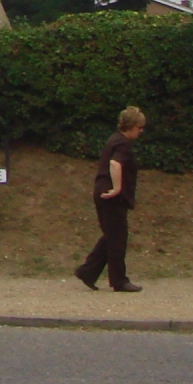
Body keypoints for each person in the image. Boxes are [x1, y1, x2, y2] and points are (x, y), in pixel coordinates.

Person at [75, 106, 146, 292]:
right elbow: (115, 164)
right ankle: (119, 280)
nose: (141, 131)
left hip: (104, 194)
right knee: (118, 238)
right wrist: (117, 188)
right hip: (111, 197)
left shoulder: (114, 139)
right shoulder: (122, 143)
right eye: (139, 127)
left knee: (112, 236)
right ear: (131, 126)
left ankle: (88, 272)